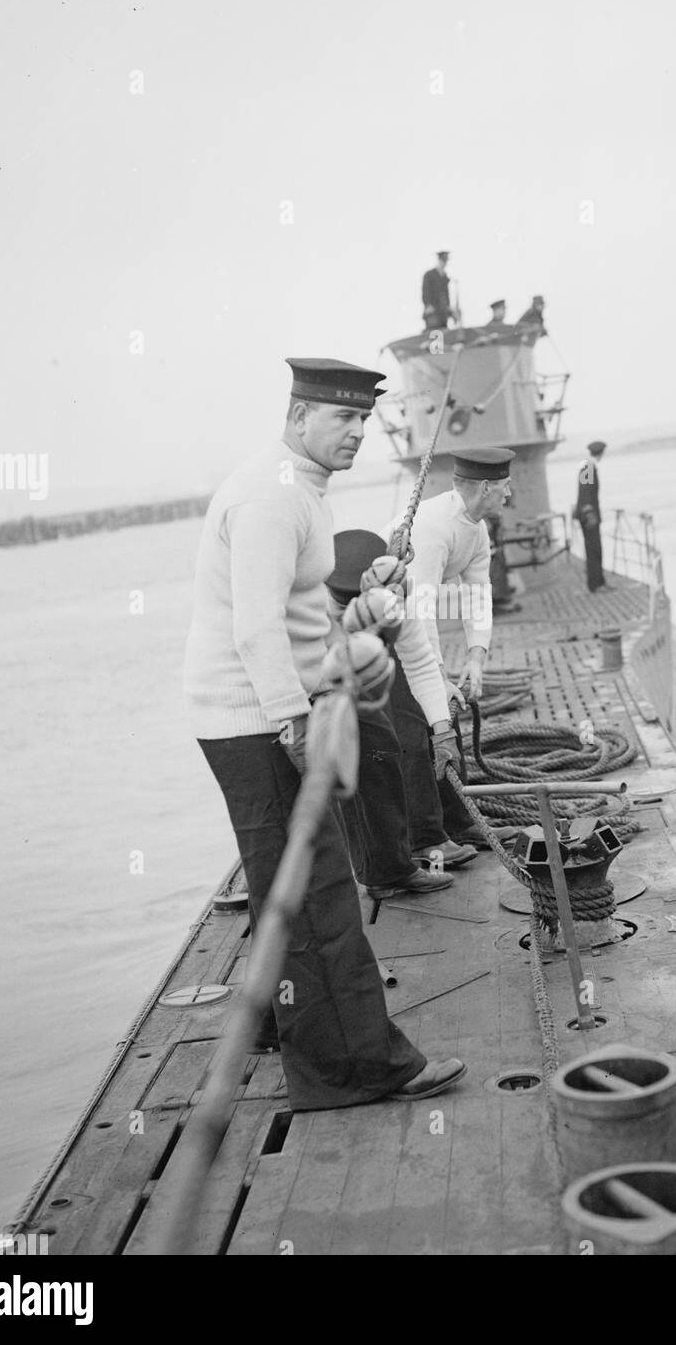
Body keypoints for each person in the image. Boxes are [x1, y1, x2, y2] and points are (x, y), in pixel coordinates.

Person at [184, 357, 466, 1108]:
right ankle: (356, 1070)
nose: (357, 433)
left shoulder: (296, 488)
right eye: (342, 417)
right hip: (255, 721)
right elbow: (254, 629)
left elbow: (295, 616)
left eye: (363, 419)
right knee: (320, 896)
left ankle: (275, 1026)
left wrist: (364, 603)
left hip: (251, 716)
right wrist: (296, 720)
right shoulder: (274, 498)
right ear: (299, 415)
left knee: (288, 882)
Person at [379, 447, 515, 851]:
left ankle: (460, 823)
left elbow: (477, 594)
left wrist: (476, 657)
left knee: (444, 719)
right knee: (414, 729)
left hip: (408, 624)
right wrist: (437, 678)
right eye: (505, 486)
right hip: (381, 631)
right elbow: (418, 614)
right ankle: (426, 839)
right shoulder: (433, 526)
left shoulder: (475, 527)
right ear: (486, 487)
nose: (509, 494)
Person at [326, 530, 478, 875]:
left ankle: (430, 835)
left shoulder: (392, 596)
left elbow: (420, 662)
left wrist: (442, 730)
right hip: (329, 674)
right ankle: (384, 865)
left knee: (411, 728)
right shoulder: (310, 613)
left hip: (377, 652)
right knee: (368, 757)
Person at [574, 439, 607, 592]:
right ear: (601, 453)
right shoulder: (588, 467)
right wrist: (589, 513)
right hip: (589, 516)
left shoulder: (587, 465)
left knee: (595, 549)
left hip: (588, 514)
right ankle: (595, 584)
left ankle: (599, 582)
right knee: (594, 550)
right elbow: (585, 491)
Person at [421, 251, 455, 330]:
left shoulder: (444, 276)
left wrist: (449, 308)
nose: (444, 263)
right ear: (439, 260)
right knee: (433, 332)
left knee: (443, 332)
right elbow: (425, 291)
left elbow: (446, 294)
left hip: (443, 313)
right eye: (443, 260)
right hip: (433, 312)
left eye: (445, 261)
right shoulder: (429, 275)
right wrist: (428, 305)